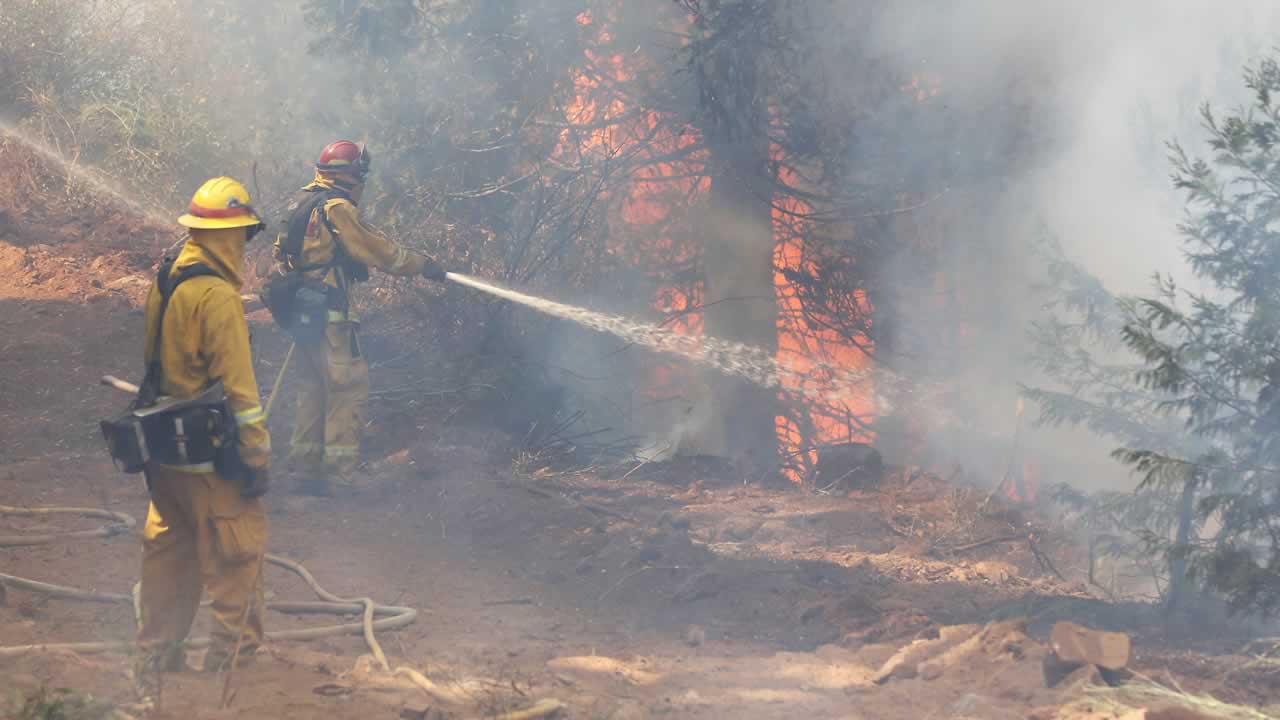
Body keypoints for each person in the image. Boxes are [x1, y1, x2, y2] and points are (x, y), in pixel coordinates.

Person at [135, 177, 272, 676]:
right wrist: (256, 455)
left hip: (162, 453)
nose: (244, 244)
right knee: (237, 554)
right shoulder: (216, 296)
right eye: (242, 235)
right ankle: (230, 671)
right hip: (209, 460)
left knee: (170, 558)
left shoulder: (167, 278)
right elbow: (241, 392)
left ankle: (156, 660)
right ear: (227, 235)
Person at [274, 140, 446, 496]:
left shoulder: (301, 203)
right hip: (332, 315)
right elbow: (370, 248)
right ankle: (341, 474)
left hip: (304, 313)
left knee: (312, 387)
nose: (362, 183)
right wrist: (421, 265)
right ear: (349, 176)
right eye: (360, 175)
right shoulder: (336, 207)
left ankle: (304, 470)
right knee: (347, 387)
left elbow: (281, 254)